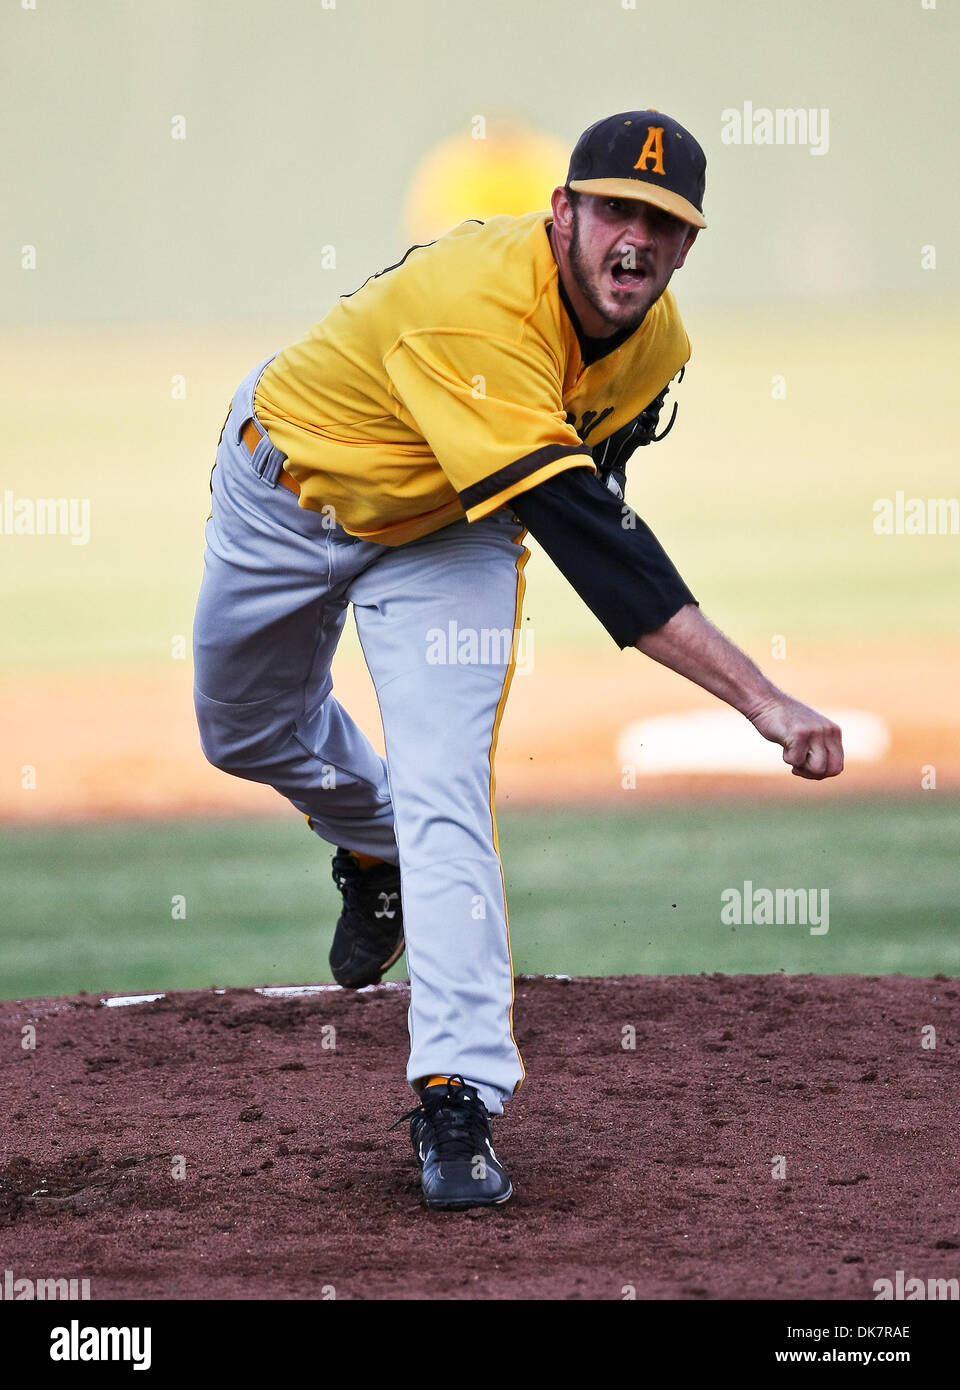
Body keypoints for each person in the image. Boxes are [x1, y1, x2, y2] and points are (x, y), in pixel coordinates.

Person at [192, 109, 843, 1212]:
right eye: (614, 212)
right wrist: (761, 696)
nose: (633, 241)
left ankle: (458, 1096)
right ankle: (371, 842)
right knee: (242, 730)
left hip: (450, 528)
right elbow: (597, 544)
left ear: (688, 246)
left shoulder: (659, 347)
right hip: (290, 487)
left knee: (446, 787)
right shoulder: (479, 312)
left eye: (663, 221)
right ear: (563, 214)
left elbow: (589, 489)